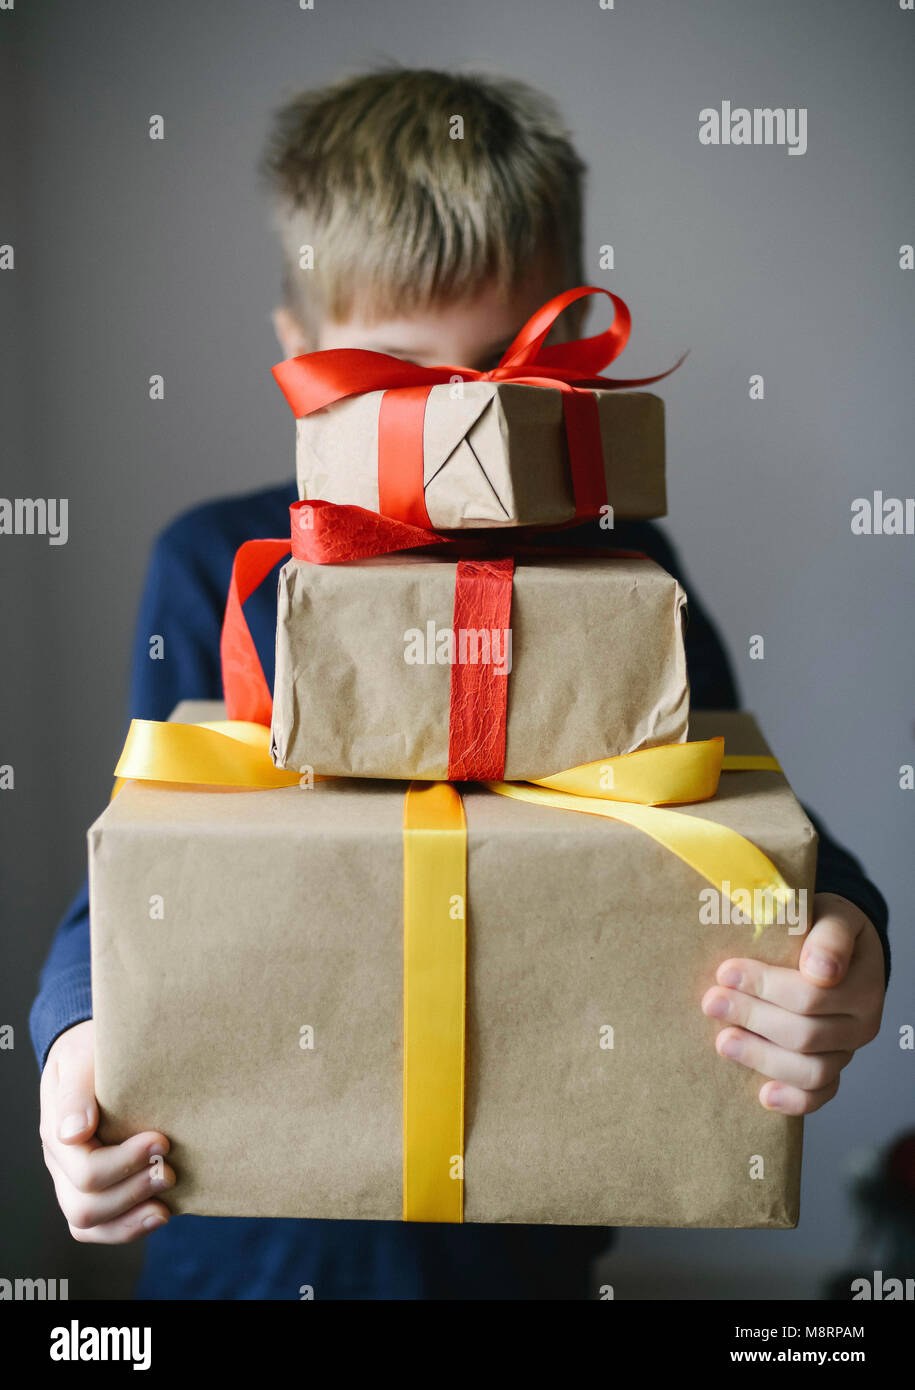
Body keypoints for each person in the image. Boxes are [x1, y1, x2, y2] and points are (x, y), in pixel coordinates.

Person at [31, 68, 889, 1301]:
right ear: (298, 353)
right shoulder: (217, 566)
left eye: (502, 372)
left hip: (522, 1247)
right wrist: (71, 1042)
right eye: (394, 380)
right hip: (242, 1242)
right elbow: (136, 858)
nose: (457, 433)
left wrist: (847, 945)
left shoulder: (623, 570)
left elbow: (741, 812)